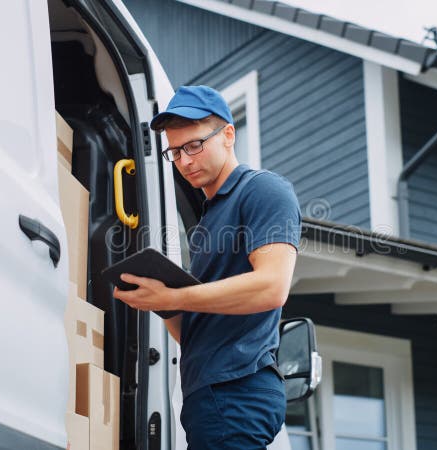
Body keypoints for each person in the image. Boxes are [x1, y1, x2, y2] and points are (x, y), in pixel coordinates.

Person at [112, 85, 302, 449]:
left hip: (237, 389)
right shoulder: (206, 223)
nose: (184, 161)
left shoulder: (263, 190)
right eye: (175, 151)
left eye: (194, 145)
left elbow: (272, 286)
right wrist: (163, 302)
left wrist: (178, 293)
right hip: (211, 396)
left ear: (228, 135)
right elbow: (195, 333)